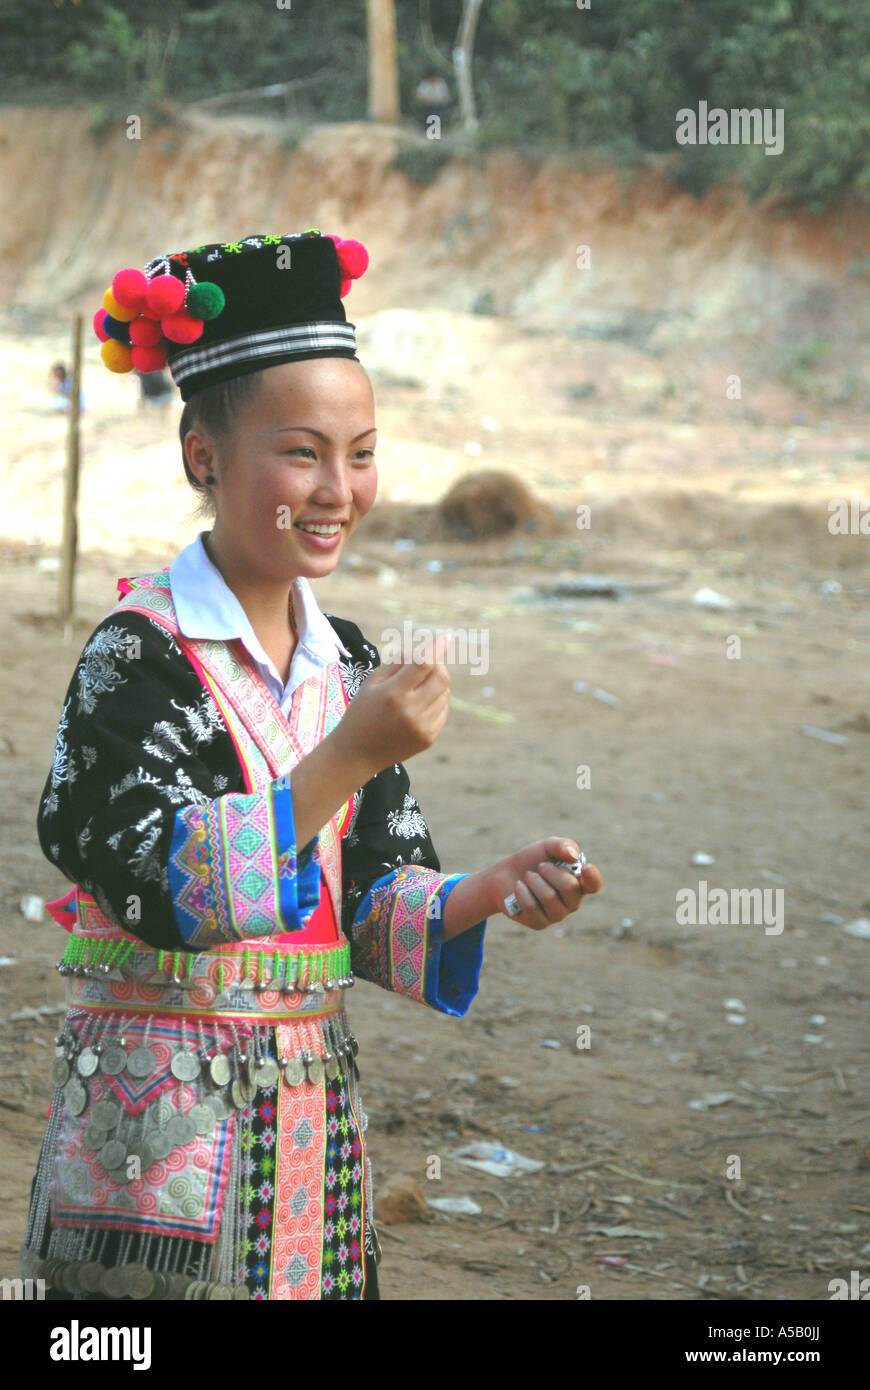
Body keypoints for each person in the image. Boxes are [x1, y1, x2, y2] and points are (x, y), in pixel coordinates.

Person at [21, 229, 601, 1302]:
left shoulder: (346, 662)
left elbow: (367, 899)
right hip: (154, 1150)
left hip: (309, 1133)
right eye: (302, 452)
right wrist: (344, 755)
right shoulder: (135, 658)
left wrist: (491, 890)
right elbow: (151, 879)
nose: (339, 488)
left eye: (363, 451)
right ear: (203, 454)